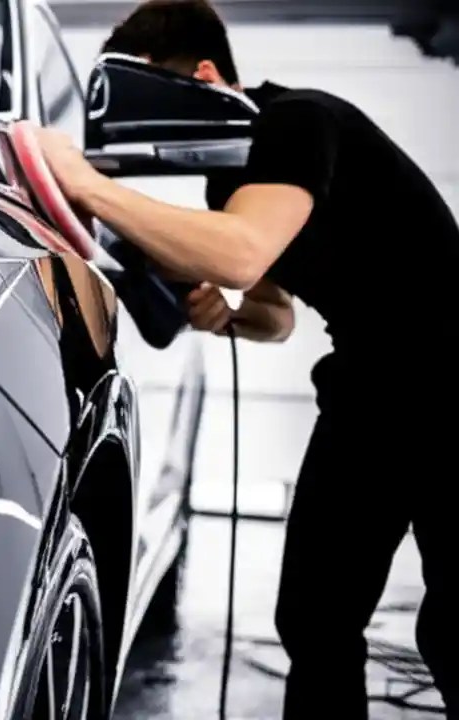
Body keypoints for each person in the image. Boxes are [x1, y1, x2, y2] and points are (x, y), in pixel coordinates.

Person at [27, 1, 459, 718]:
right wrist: (228, 315)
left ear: (203, 77)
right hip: (370, 382)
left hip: (448, 377)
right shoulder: (231, 180)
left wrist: (86, 183)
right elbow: (276, 314)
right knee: (316, 616)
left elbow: (242, 252)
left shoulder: (296, 122)